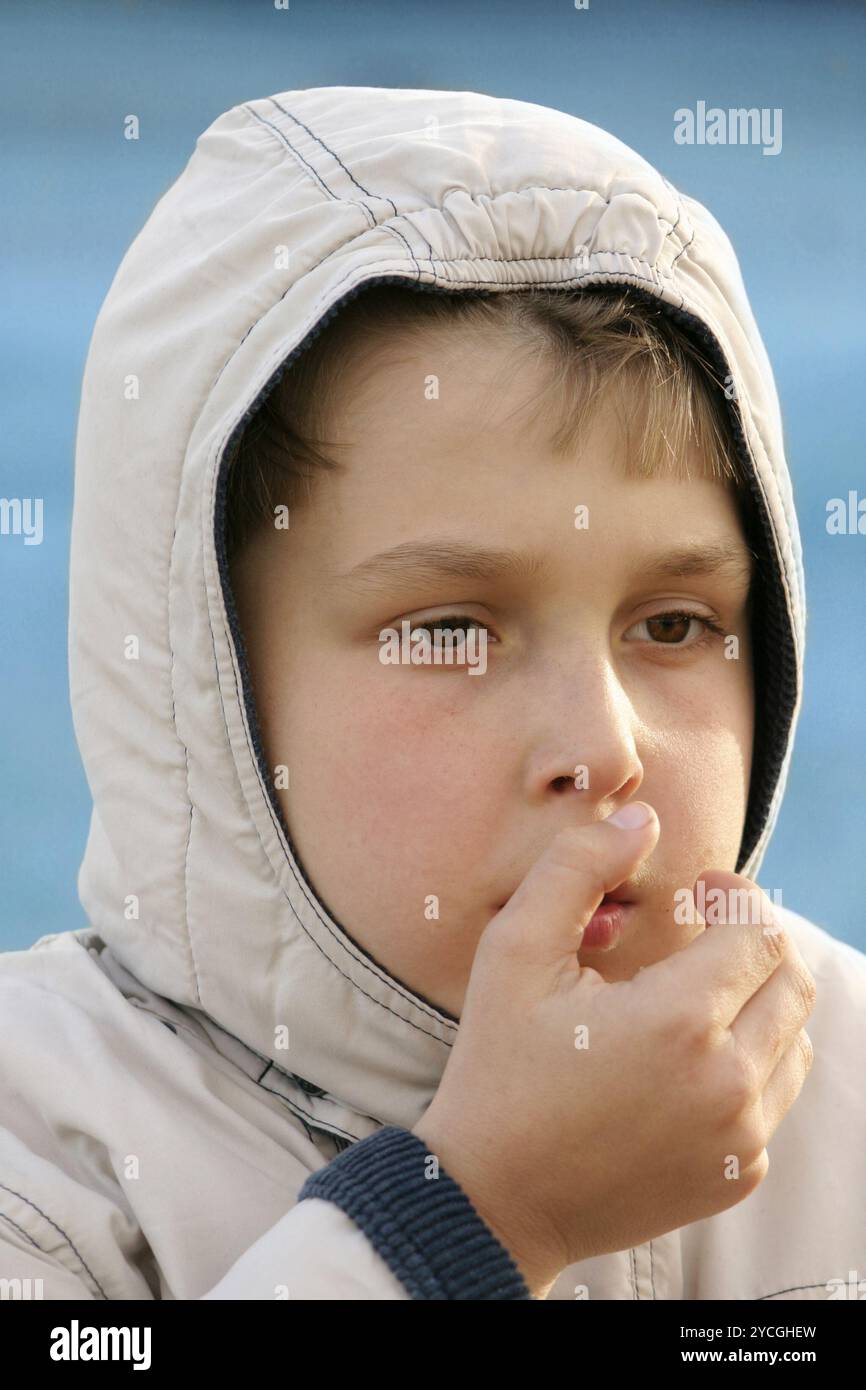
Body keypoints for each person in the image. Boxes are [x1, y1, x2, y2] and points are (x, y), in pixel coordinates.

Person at [1, 86, 863, 1302]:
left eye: (673, 624)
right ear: (208, 687)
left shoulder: (844, 1095)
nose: (601, 748)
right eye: (450, 630)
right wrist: (473, 1220)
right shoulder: (41, 1173)